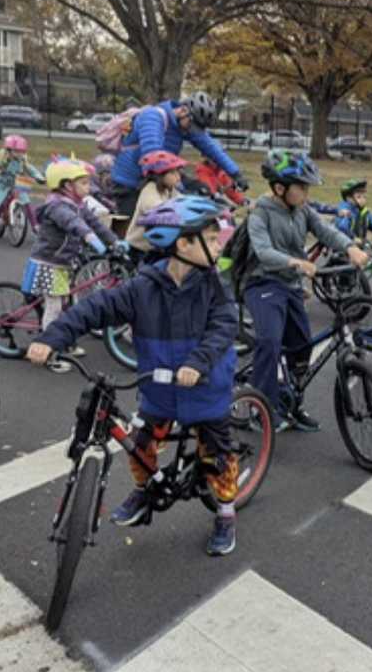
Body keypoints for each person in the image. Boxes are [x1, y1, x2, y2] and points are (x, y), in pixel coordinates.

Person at [26, 197, 243, 556]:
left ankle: (225, 513)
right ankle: (145, 491)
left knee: (217, 455)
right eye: (212, 237)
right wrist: (52, 338)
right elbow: (95, 309)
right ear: (184, 244)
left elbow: (223, 327)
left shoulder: (214, 285)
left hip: (205, 387)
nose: (220, 244)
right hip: (159, 388)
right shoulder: (143, 287)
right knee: (140, 445)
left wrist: (198, 362)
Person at [242, 151, 368, 429]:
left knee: (301, 348)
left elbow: (325, 231)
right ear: (279, 188)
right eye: (302, 187)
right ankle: (259, 408)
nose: (306, 193)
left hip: (290, 284)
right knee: (270, 342)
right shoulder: (260, 213)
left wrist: (350, 247)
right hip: (263, 283)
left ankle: (291, 402)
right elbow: (263, 252)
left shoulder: (302, 210)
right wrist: (296, 263)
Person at [24, 158, 129, 372]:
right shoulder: (56, 206)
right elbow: (77, 225)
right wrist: (97, 244)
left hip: (64, 263)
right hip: (49, 263)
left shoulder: (79, 205)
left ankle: (64, 341)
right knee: (54, 307)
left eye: (88, 182)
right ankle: (49, 352)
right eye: (83, 183)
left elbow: (95, 224)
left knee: (65, 302)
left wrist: (115, 241)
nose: (88, 187)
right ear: (66, 186)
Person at [109, 91, 246, 232]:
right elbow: (153, 158)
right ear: (183, 110)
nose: (192, 131)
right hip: (130, 183)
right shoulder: (153, 117)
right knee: (139, 231)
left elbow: (210, 147)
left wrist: (235, 173)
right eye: (192, 126)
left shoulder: (185, 124)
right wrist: (179, 187)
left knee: (201, 190)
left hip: (159, 178)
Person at [125, 151, 186, 252]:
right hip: (139, 249)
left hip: (156, 246)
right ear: (160, 175)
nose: (178, 177)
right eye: (172, 173)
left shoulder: (169, 189)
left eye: (178, 172)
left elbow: (184, 201)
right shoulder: (150, 191)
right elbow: (158, 212)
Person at [0, 134, 44, 235]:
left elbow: (32, 170)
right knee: (0, 201)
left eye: (22, 152)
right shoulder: (3, 160)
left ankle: (35, 225)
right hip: (3, 184)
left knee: (27, 202)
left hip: (18, 184)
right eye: (16, 151)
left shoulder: (22, 161)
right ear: (8, 150)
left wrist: (39, 177)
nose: (20, 154)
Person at [313, 178, 372, 245]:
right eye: (359, 197)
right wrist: (353, 238)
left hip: (358, 248)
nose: (363, 199)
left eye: (364, 196)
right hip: (341, 248)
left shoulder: (364, 212)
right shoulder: (345, 210)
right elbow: (342, 227)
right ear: (349, 198)